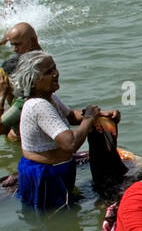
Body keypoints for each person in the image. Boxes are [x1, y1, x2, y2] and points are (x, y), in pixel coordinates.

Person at [16, 52, 117, 210]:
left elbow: (70, 116)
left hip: (56, 170)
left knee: (63, 210)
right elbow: (70, 144)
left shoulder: (49, 98)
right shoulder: (38, 105)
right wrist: (89, 118)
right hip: (44, 174)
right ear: (33, 81)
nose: (56, 73)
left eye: (55, 68)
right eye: (48, 72)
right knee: (52, 219)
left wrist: (98, 115)